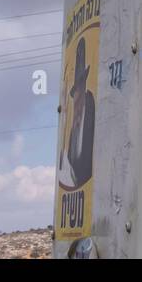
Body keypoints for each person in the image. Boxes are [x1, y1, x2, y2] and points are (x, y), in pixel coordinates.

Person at [58, 37, 95, 188]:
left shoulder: (91, 110)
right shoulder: (73, 128)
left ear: (84, 87)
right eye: (75, 98)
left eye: (79, 90)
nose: (77, 103)